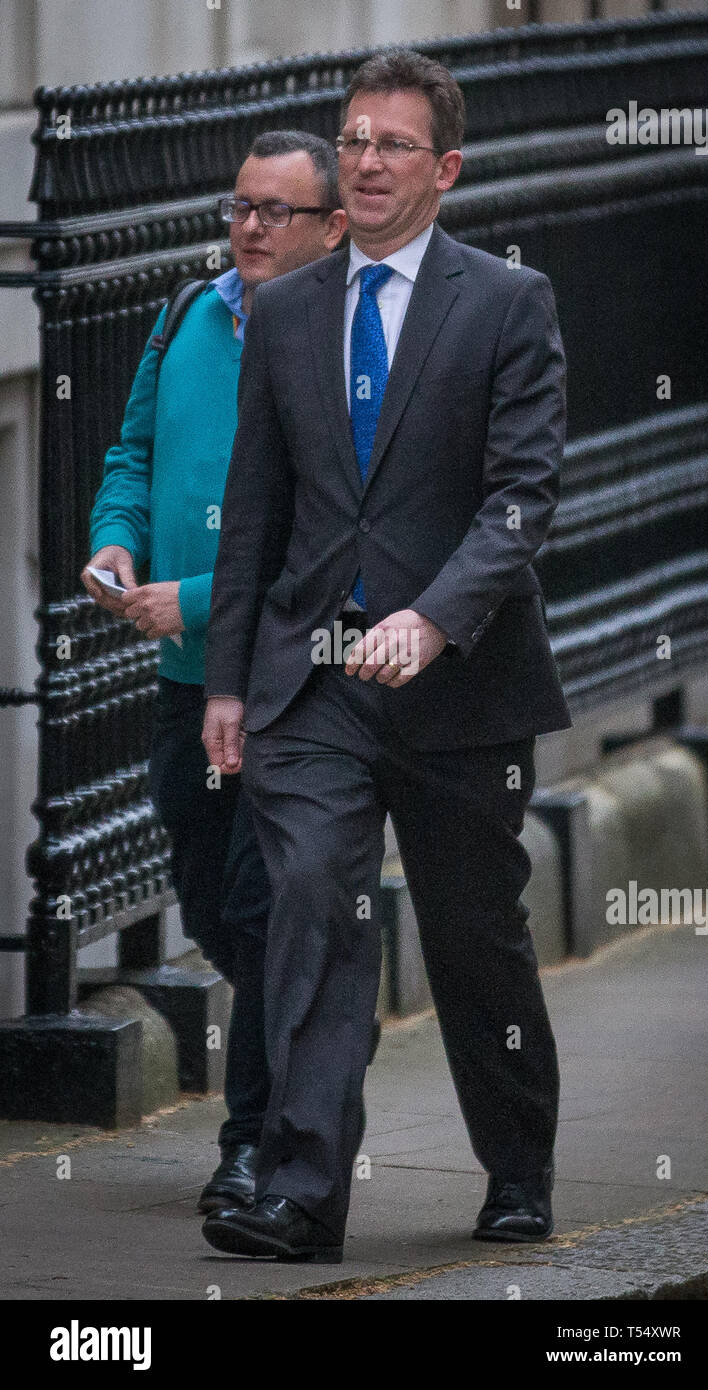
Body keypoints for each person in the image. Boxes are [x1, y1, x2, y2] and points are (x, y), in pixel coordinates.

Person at [201, 49, 572, 1265]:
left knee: (474, 935)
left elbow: (520, 499)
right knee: (313, 904)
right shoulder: (290, 306)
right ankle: (301, 1193)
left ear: (444, 168)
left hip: (458, 683)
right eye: (352, 139)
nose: (362, 161)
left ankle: (516, 1167)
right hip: (313, 678)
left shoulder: (506, 303)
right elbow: (254, 504)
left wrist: (435, 614)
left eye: (391, 144)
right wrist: (224, 681)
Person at [81, 130, 347, 1216]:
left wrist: (187, 600)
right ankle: (319, 1028)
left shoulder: (337, 342)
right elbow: (132, 454)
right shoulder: (186, 313)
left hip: (287, 683)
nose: (247, 227)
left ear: (331, 229)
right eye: (238, 206)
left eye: (273, 212)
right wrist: (115, 541)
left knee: (262, 902)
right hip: (189, 679)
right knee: (213, 901)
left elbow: (330, 532)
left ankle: (251, 1152)